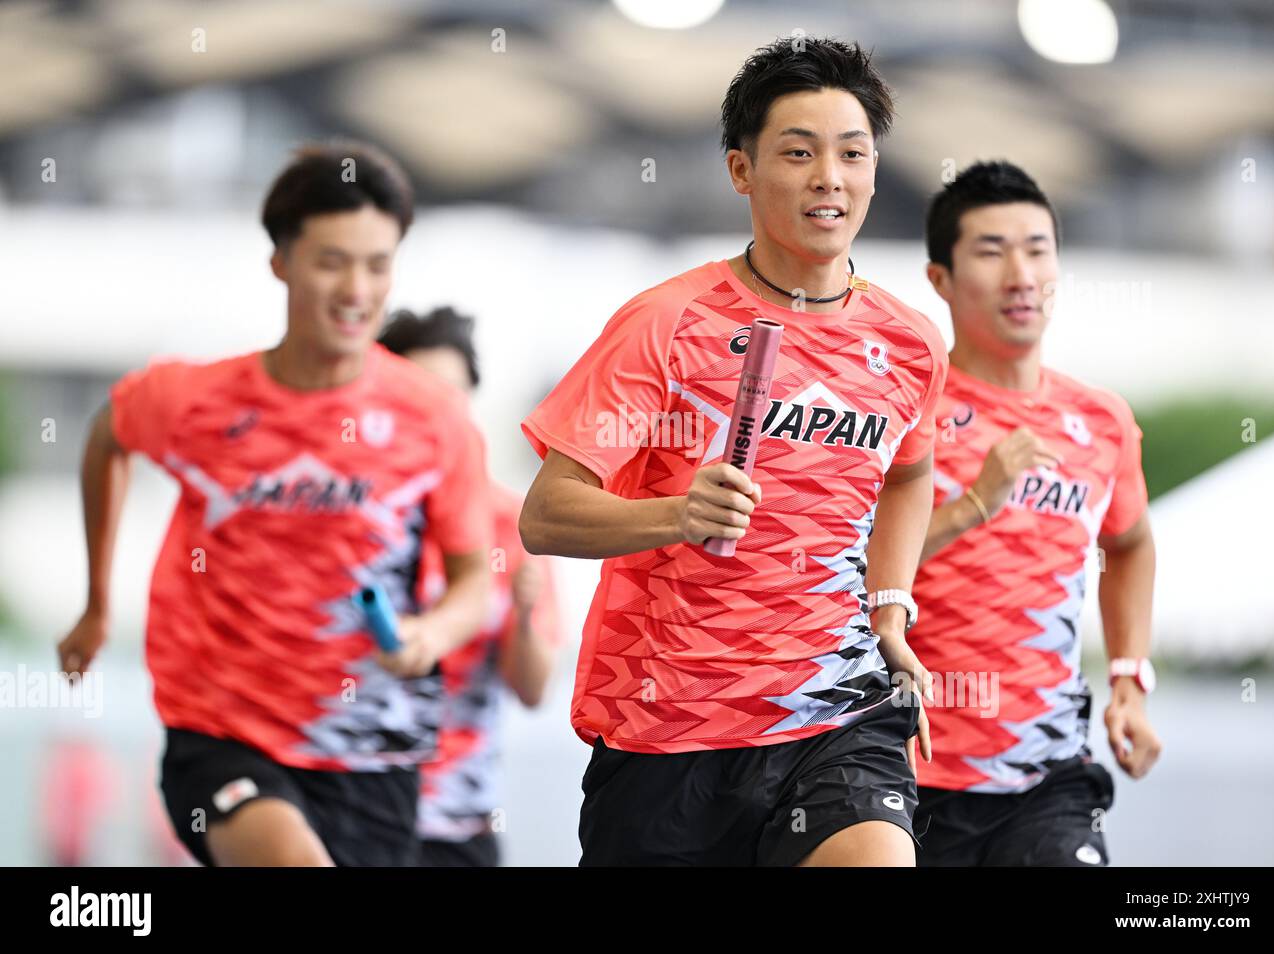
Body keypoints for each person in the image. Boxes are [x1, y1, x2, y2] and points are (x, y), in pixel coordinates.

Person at [518, 36, 948, 866]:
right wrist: (678, 513)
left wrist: (890, 609)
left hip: (837, 714)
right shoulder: (667, 323)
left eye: (853, 154)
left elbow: (911, 471)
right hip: (667, 731)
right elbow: (546, 515)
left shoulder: (910, 344)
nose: (830, 176)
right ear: (742, 171)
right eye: (799, 152)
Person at [56, 141, 492, 866]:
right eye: (331, 261)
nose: (356, 288)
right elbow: (108, 436)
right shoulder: (194, 400)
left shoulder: (433, 418)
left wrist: (433, 635)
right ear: (280, 262)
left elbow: (475, 580)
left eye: (377, 264)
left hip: (370, 749)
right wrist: (97, 602)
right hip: (222, 737)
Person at [910, 160, 1162, 866]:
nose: (1021, 274)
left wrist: (1128, 680)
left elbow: (1132, 545)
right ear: (942, 279)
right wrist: (972, 506)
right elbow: (849, 569)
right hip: (903, 775)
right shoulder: (909, 412)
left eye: (1038, 248)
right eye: (991, 251)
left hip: (1050, 777)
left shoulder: (1102, 420)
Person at [378, 307, 563, 867]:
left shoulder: (511, 521)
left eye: (453, 396)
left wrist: (524, 617)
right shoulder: (351, 516)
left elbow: (533, 692)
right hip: (349, 811)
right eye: (420, 394)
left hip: (458, 822)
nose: (439, 413)